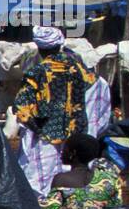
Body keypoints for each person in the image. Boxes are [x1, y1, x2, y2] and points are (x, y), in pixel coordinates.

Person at [13, 25, 96, 198]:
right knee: (70, 168)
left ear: (40, 49)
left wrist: (33, 126)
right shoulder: (78, 68)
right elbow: (92, 85)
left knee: (40, 175)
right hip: (74, 130)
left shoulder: (36, 72)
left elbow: (21, 108)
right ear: (59, 46)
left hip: (46, 133)